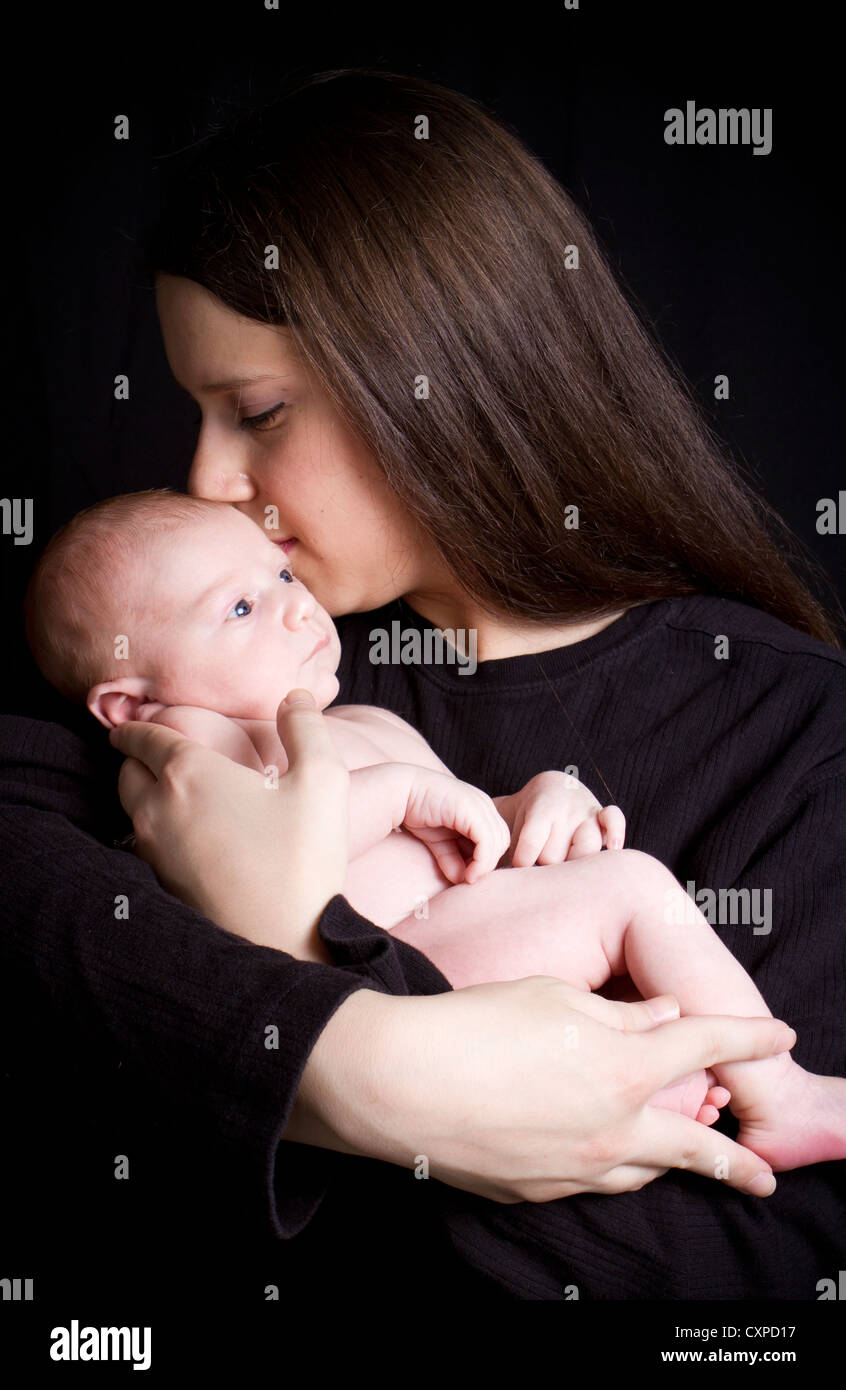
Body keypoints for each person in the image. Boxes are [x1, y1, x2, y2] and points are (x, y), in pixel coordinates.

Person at [3, 66, 844, 1301]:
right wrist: (373, 1068)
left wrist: (296, 973)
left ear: (438, 377)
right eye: (194, 414)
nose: (204, 479)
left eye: (256, 411)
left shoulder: (794, 732)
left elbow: (747, 1281)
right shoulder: (177, 692)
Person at [24, 487, 846, 1175]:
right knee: (632, 891)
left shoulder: (360, 717)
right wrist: (399, 792)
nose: (295, 608)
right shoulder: (187, 755)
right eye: (240, 607)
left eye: (279, 574)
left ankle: (648, 1088)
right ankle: (781, 1092)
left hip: (464, 955)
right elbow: (266, 852)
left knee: (620, 911)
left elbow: (461, 828)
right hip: (402, 977)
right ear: (130, 706)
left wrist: (534, 806)